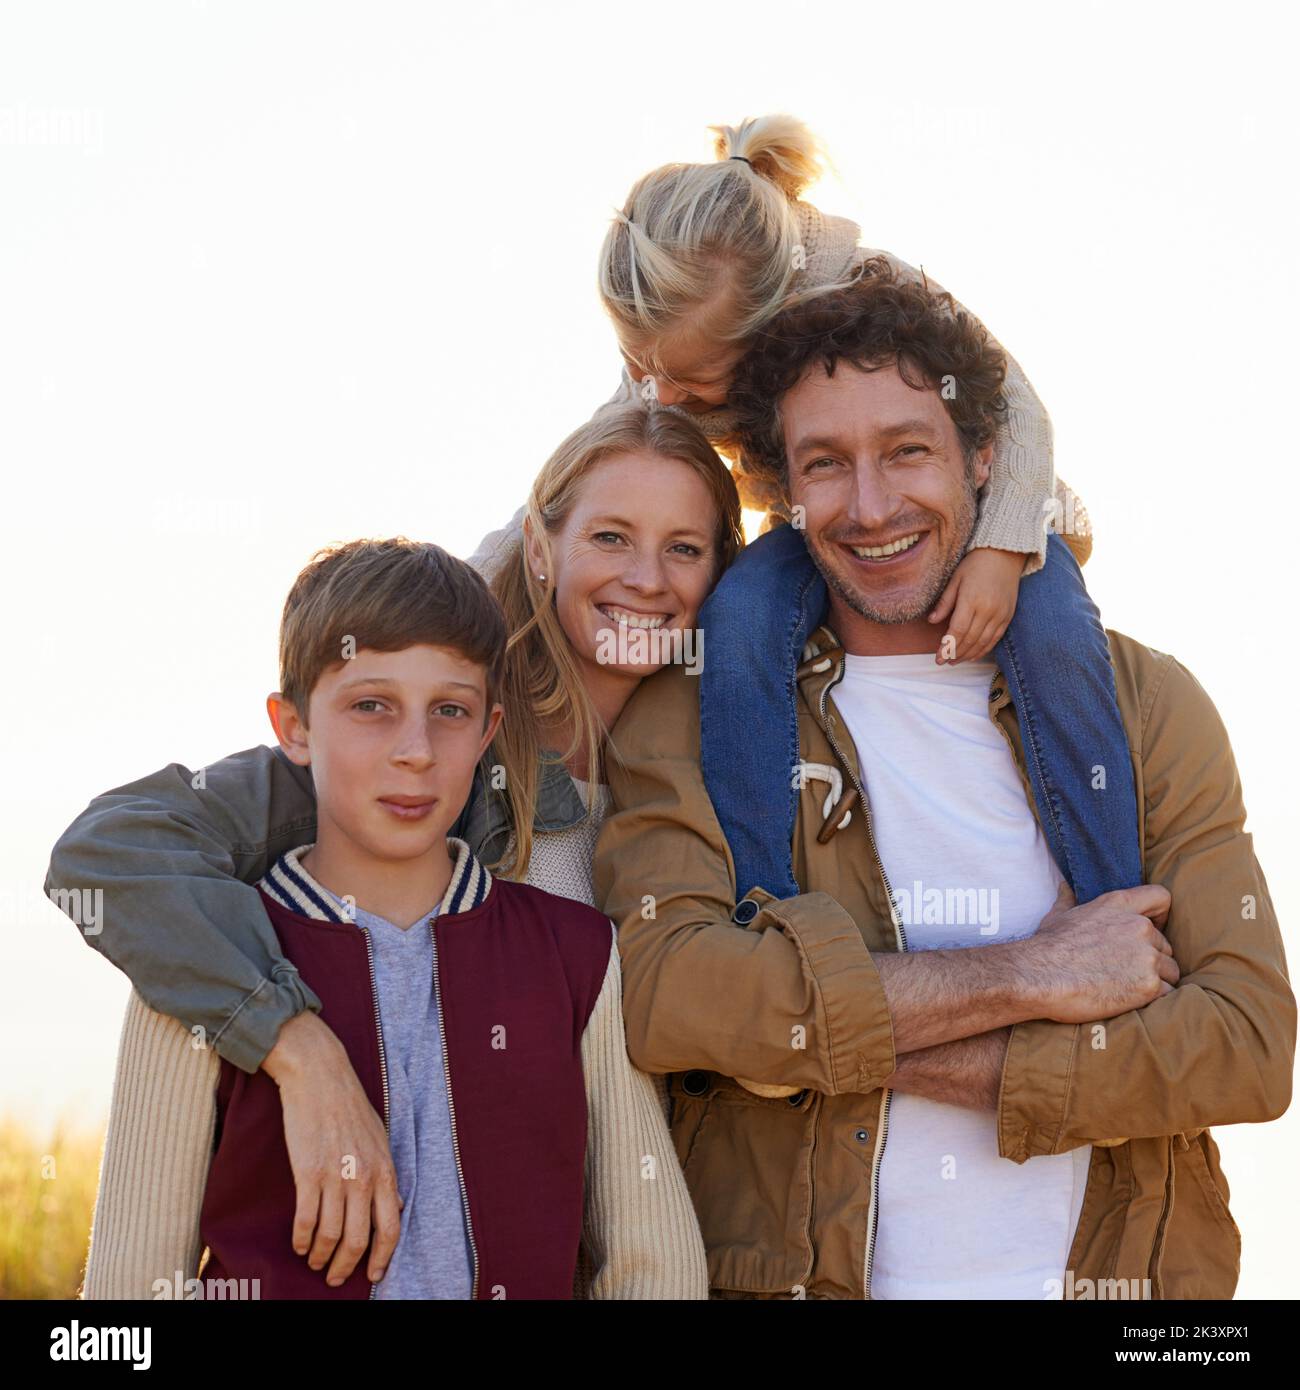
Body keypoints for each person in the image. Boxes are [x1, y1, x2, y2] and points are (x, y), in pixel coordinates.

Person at [593, 270, 1295, 1300]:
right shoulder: (692, 710)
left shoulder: (1143, 706)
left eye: (908, 449)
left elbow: (1243, 1044)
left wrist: (813, 1034)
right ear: (782, 494)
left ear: (986, 456)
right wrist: (1034, 975)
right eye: (825, 464)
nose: (871, 505)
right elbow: (670, 999)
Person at [59, 406, 736, 1296]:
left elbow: (654, 1263)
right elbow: (126, 1291)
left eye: (685, 548)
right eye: (372, 707)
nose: (414, 748)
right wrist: (296, 1047)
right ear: (296, 728)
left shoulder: (613, 907)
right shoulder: (227, 940)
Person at [467, 113, 1142, 912]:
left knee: (1055, 634)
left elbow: (1022, 416)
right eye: (640, 370)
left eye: (690, 381)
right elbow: (584, 468)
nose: (664, 396)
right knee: (745, 615)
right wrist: (467, 589)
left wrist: (1000, 550)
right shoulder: (671, 358)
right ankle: (765, 899)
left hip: (1003, 513)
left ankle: (1116, 897)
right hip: (819, 527)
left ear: (766, 330)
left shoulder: (873, 287)